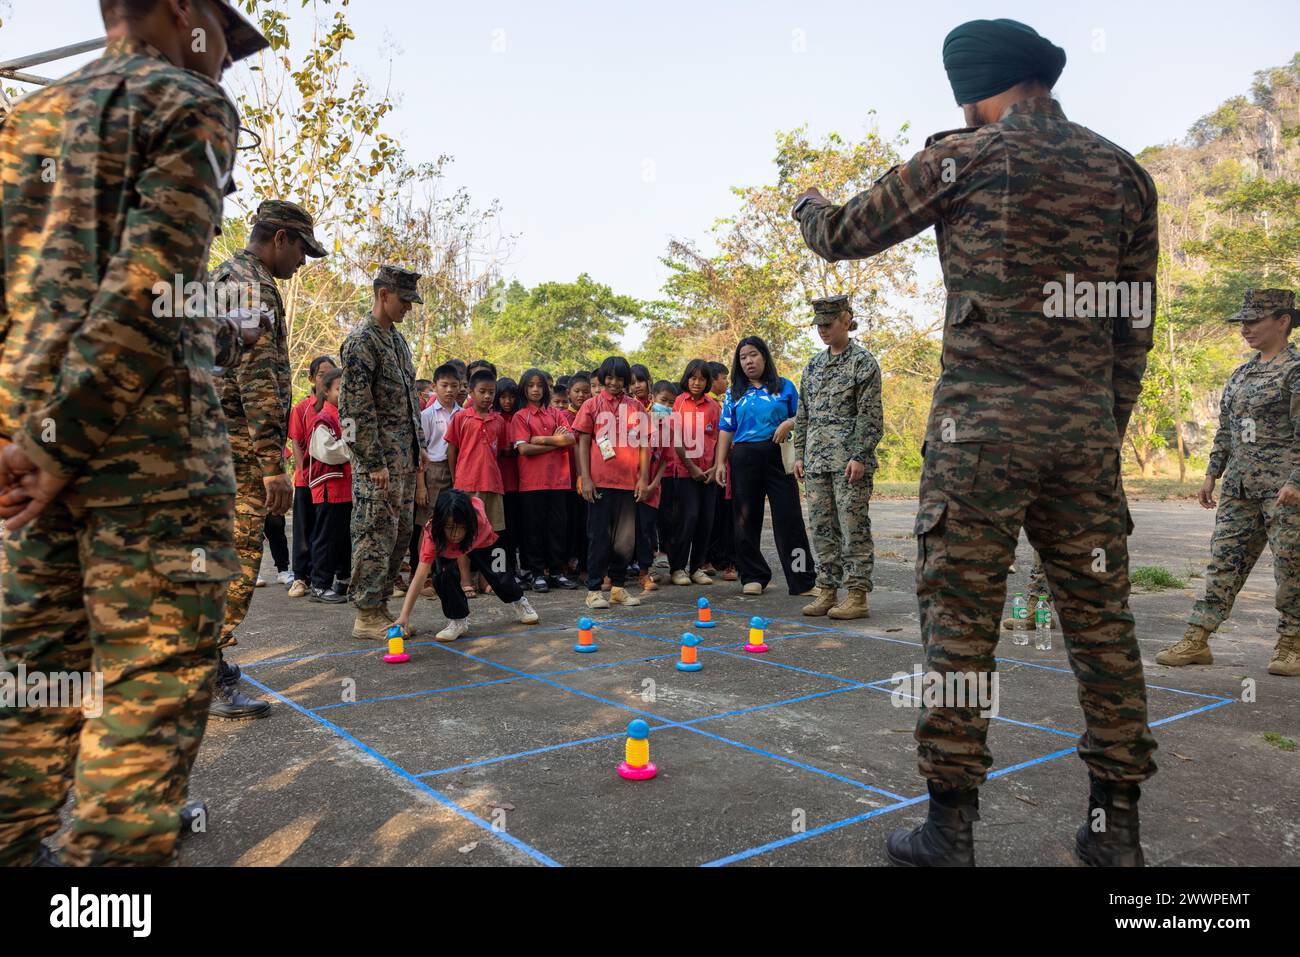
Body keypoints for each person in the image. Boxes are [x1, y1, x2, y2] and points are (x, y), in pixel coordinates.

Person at [793, 17, 1158, 866]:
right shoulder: (1124, 173)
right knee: (1103, 627)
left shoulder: (963, 157)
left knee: (959, 629)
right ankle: (1120, 830)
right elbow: (1133, 330)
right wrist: (1103, 430)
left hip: (980, 438)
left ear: (972, 88)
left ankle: (949, 829)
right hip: (1083, 438)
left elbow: (844, 234)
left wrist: (806, 201)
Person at [0, 0, 269, 866]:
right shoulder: (186, 104)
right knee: (140, 724)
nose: (229, 58)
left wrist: (22, 441)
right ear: (182, 11)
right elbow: (152, 290)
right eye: (227, 34)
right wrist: (58, 437)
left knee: (29, 698)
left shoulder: (26, 120)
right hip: (147, 472)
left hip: (21, 473)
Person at [210, 199, 326, 717]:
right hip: (237, 449)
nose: (303, 262)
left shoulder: (225, 275)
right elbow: (254, 383)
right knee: (232, 562)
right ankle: (199, 679)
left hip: (218, 443)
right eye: (302, 249)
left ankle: (203, 661)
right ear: (280, 237)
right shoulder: (251, 285)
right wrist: (272, 466)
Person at [1159, 289, 1300, 677]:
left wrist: (1297, 480)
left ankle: (1292, 643)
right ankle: (1198, 638)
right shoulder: (1242, 373)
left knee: (1292, 568)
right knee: (1223, 562)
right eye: (1243, 322)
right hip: (1240, 488)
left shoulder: (1296, 370)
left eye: (1254, 320)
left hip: (1285, 491)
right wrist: (1212, 473)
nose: (1246, 329)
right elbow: (1228, 429)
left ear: (1283, 321)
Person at [339, 266, 427, 640]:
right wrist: (373, 462)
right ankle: (366, 613)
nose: (409, 307)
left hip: (404, 461)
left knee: (399, 535)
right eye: (404, 299)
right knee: (374, 534)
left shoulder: (398, 341)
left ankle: (380, 606)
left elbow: (409, 403)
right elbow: (354, 411)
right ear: (383, 294)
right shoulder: (362, 341)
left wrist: (418, 448)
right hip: (379, 464)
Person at [795, 295, 883, 620]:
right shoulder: (814, 366)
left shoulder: (863, 363)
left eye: (828, 324)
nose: (822, 330)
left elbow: (870, 415)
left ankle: (857, 595)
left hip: (849, 462)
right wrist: (800, 454)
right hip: (816, 460)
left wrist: (860, 455)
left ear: (846, 320)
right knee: (821, 528)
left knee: (853, 526)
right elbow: (803, 413)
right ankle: (828, 590)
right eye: (818, 325)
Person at [714, 338, 818, 597]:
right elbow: (726, 429)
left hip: (779, 456)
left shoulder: (785, 387)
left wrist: (789, 423)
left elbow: (803, 417)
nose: (748, 361)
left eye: (753, 355)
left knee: (790, 519)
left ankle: (802, 580)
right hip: (744, 458)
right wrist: (719, 463)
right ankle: (752, 575)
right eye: (743, 357)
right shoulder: (734, 392)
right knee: (745, 520)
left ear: (764, 357)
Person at [395, 490, 539, 642]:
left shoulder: (479, 520)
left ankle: (519, 600)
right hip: (448, 549)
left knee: (500, 571)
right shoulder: (432, 535)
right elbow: (419, 577)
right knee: (442, 575)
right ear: (440, 523)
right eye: (449, 527)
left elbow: (478, 504)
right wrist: (404, 616)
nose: (455, 534)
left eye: (460, 526)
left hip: (482, 542)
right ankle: (458, 620)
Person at [574, 356, 651, 609]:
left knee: (625, 541)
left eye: (620, 378)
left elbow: (644, 444)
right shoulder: (591, 405)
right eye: (610, 377)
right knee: (598, 537)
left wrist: (643, 478)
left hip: (628, 484)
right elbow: (583, 442)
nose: (614, 382)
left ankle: (618, 588)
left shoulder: (636, 407)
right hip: (600, 482)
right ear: (602, 378)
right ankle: (594, 590)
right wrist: (585, 477)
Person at [510, 369, 579, 592]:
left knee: (557, 528)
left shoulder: (554, 413)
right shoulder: (521, 416)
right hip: (532, 482)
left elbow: (570, 439)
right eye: (531, 385)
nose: (536, 389)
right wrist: (554, 443)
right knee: (534, 529)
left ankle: (557, 571)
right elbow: (523, 449)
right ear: (524, 388)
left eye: (540, 385)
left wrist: (540, 439)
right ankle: (537, 573)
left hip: (558, 481)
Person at [447, 369, 508, 595]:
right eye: (482, 391)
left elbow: (499, 451)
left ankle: (486, 578)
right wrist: (456, 479)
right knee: (462, 533)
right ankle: (465, 579)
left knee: (490, 534)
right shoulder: (461, 417)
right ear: (471, 391)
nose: (487, 396)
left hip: (492, 484)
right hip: (466, 484)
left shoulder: (498, 420)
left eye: (491, 392)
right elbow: (452, 449)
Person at [666, 360, 721, 586]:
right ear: (687, 379)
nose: (697, 382)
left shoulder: (714, 407)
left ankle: (697, 567)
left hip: (709, 473)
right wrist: (692, 467)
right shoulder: (679, 402)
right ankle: (677, 568)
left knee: (706, 521)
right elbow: (675, 438)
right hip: (685, 472)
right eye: (693, 378)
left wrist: (716, 466)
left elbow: (720, 437)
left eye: (702, 378)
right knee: (687, 519)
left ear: (707, 381)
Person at [288, 355, 338, 597]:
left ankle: (328, 574)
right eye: (321, 374)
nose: (326, 378)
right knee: (303, 528)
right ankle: (300, 576)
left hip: (330, 480)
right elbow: (297, 442)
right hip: (306, 478)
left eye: (331, 374)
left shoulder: (338, 407)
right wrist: (302, 472)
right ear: (312, 378)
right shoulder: (302, 407)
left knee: (325, 530)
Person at [416, 363, 467, 595]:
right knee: (429, 524)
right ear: (434, 386)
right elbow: (419, 451)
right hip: (433, 470)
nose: (449, 390)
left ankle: (447, 574)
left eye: (454, 386)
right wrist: (421, 486)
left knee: (453, 523)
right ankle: (424, 577)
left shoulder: (463, 414)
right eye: (444, 385)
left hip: (456, 469)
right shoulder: (426, 415)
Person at [306, 368, 352, 603]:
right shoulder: (322, 418)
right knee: (326, 537)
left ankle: (343, 579)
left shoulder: (348, 417)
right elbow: (330, 452)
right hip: (329, 488)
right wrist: (352, 449)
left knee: (346, 535)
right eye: (339, 388)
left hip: (347, 487)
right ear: (326, 391)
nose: (344, 393)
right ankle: (319, 584)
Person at [704, 361, 737, 581]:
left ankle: (728, 560)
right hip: (710, 466)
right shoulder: (710, 405)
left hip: (728, 465)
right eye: (723, 377)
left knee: (727, 515)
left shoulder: (726, 402)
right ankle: (710, 558)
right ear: (713, 379)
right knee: (711, 516)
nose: (726, 382)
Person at [494, 377, 525, 587]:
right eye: (503, 397)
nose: (508, 401)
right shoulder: (495, 418)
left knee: (515, 529)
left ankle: (515, 569)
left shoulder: (519, 417)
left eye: (512, 397)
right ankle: (501, 571)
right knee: (500, 532)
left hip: (519, 481)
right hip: (499, 482)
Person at [565, 372, 594, 578]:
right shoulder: (562, 416)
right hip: (567, 477)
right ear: (569, 393)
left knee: (587, 522)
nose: (582, 395)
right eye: (577, 391)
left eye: (586, 391)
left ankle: (585, 565)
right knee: (569, 523)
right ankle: (568, 562)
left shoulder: (594, 412)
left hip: (591, 476)